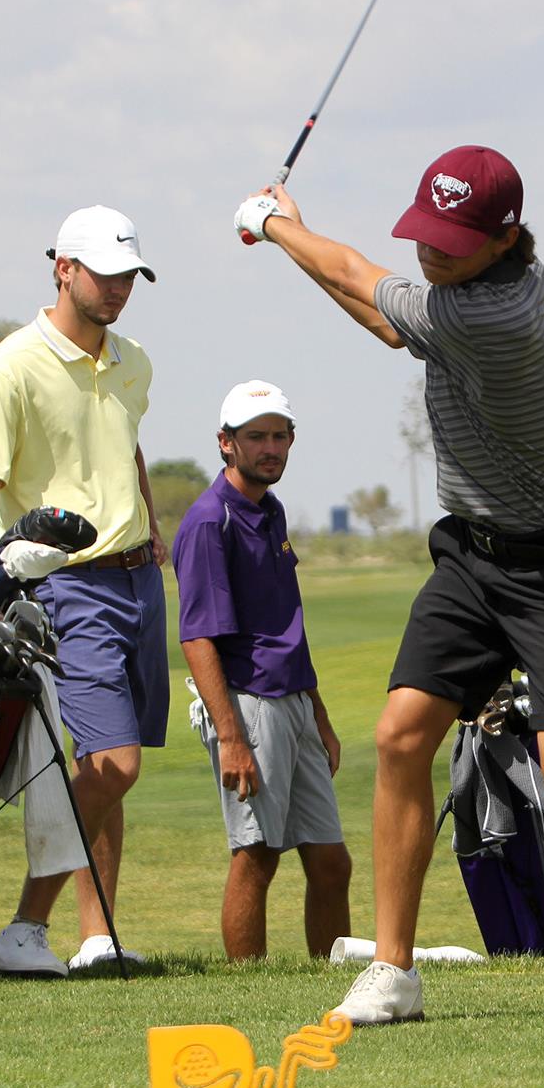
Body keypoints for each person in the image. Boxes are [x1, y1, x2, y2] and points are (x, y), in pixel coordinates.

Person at [234, 145, 544, 1024]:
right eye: (427, 234)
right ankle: (393, 971)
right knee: (399, 735)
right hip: (471, 557)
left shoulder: (494, 317)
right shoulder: (485, 288)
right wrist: (290, 239)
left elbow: (358, 274)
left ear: (504, 241)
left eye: (453, 244)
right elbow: (387, 321)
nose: (433, 252)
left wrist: (276, 224)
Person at [0, 204, 169, 976]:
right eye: (104, 275)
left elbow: (124, 445)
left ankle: (96, 936)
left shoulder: (133, 359)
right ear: (62, 269)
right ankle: (23, 928)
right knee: (115, 762)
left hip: (138, 577)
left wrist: (150, 519)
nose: (117, 290)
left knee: (109, 764)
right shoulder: (10, 366)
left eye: (128, 277)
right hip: (66, 585)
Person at [171, 379, 352, 960]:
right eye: (257, 437)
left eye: (280, 436)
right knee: (257, 853)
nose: (271, 448)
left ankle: (334, 976)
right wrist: (231, 738)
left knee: (330, 860)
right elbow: (196, 637)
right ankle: (249, 986)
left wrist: (318, 714)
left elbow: (284, 624)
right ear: (226, 443)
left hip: (293, 698)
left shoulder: (269, 510)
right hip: (247, 702)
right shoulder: (208, 522)